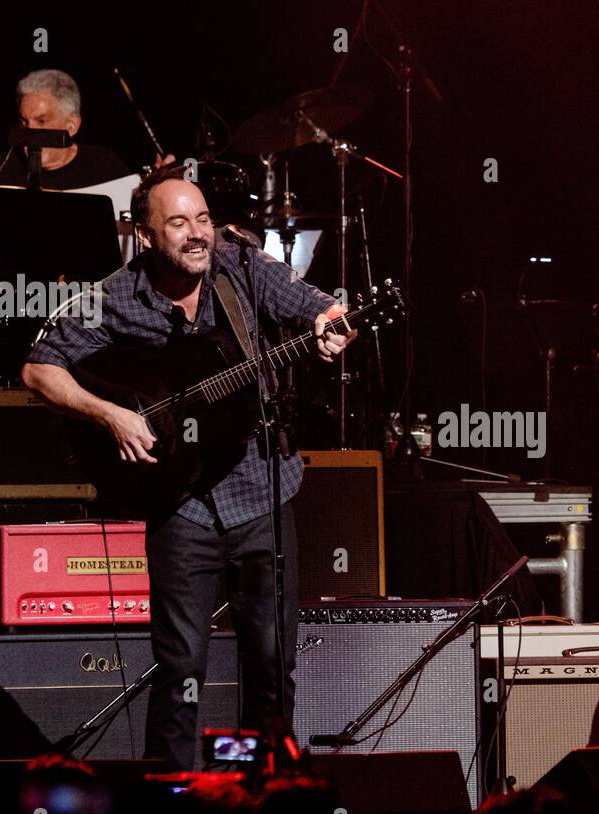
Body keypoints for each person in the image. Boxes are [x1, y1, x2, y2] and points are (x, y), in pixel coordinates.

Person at [20, 166, 351, 770]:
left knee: (273, 662)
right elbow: (39, 368)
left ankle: (265, 788)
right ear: (145, 237)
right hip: (181, 504)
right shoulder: (116, 296)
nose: (197, 234)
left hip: (261, 490)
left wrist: (329, 325)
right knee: (180, 668)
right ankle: (172, 805)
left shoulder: (243, 268)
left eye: (202, 219)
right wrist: (112, 416)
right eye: (178, 223)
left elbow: (316, 306)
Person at [0, 68, 133, 189]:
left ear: (72, 125)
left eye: (41, 121)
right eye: (24, 122)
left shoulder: (106, 167)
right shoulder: (0, 171)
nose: (29, 132)